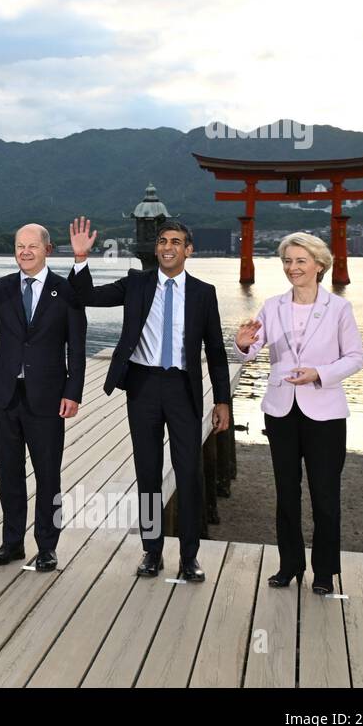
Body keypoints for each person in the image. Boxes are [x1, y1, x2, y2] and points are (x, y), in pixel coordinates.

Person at [68, 216, 231, 581]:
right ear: (156, 248)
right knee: (148, 472)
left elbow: (216, 350)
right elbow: (86, 297)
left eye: (175, 241)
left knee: (189, 473)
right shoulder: (136, 283)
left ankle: (190, 557)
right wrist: (81, 259)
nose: (167, 247)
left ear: (188, 249)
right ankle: (152, 551)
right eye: (162, 241)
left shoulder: (204, 293)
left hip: (183, 388)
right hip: (142, 385)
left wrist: (223, 401)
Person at [234, 232, 363, 596]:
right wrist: (243, 343)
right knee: (286, 492)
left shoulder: (339, 309)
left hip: (325, 413)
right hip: (280, 410)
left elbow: (355, 358)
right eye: (288, 261)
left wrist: (319, 374)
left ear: (319, 265)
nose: (293, 268)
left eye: (300, 261)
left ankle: (324, 572)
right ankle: (289, 564)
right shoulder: (272, 306)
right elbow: (252, 347)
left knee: (325, 494)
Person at [0, 225, 86, 570]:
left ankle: (47, 546)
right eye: (19, 246)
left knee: (48, 475)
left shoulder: (66, 290)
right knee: (8, 473)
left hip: (48, 397)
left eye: (32, 246)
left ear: (48, 249)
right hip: (6, 395)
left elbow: (78, 347)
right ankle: (12, 543)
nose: (24, 252)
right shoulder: (2, 288)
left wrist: (73, 392)